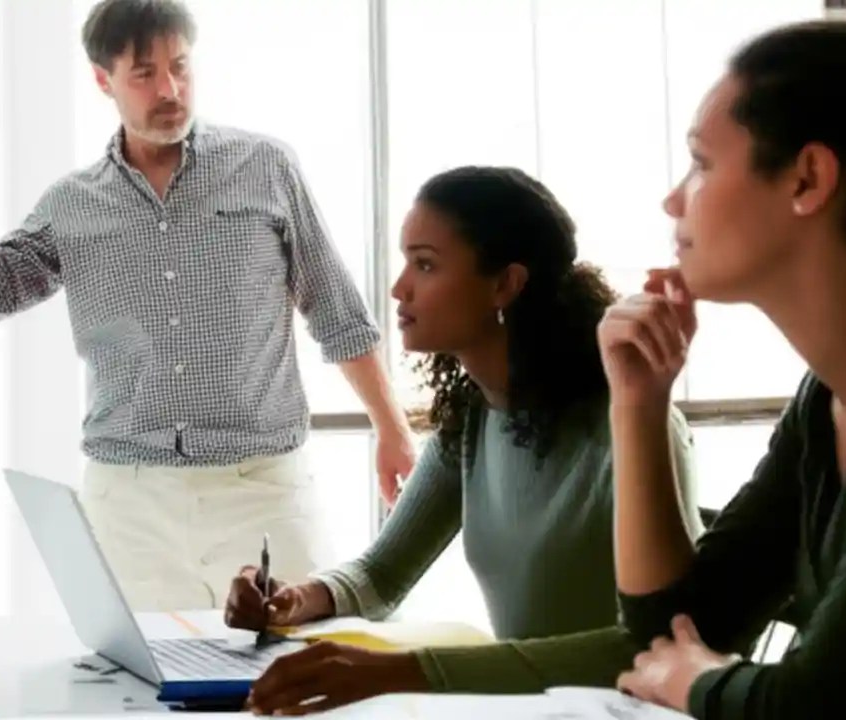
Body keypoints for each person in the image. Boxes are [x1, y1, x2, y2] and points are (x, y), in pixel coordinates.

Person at [0, 0, 415, 611]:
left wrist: (391, 425)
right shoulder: (73, 204)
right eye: (144, 73)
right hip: (130, 506)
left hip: (263, 489)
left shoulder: (266, 168)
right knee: (143, 695)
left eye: (181, 66)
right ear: (102, 80)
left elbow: (335, 309)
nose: (169, 88)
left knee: (297, 677)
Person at [601, 20, 846, 718]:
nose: (672, 200)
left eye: (701, 163)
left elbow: (825, 706)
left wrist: (699, 683)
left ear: (807, 178)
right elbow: (673, 634)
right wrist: (637, 403)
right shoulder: (826, 400)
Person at [228, 166, 703, 715]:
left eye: (425, 264)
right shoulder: (474, 418)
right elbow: (381, 574)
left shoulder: (631, 424)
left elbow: (661, 645)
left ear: (505, 284)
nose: (399, 287)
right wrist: (295, 599)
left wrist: (409, 673)